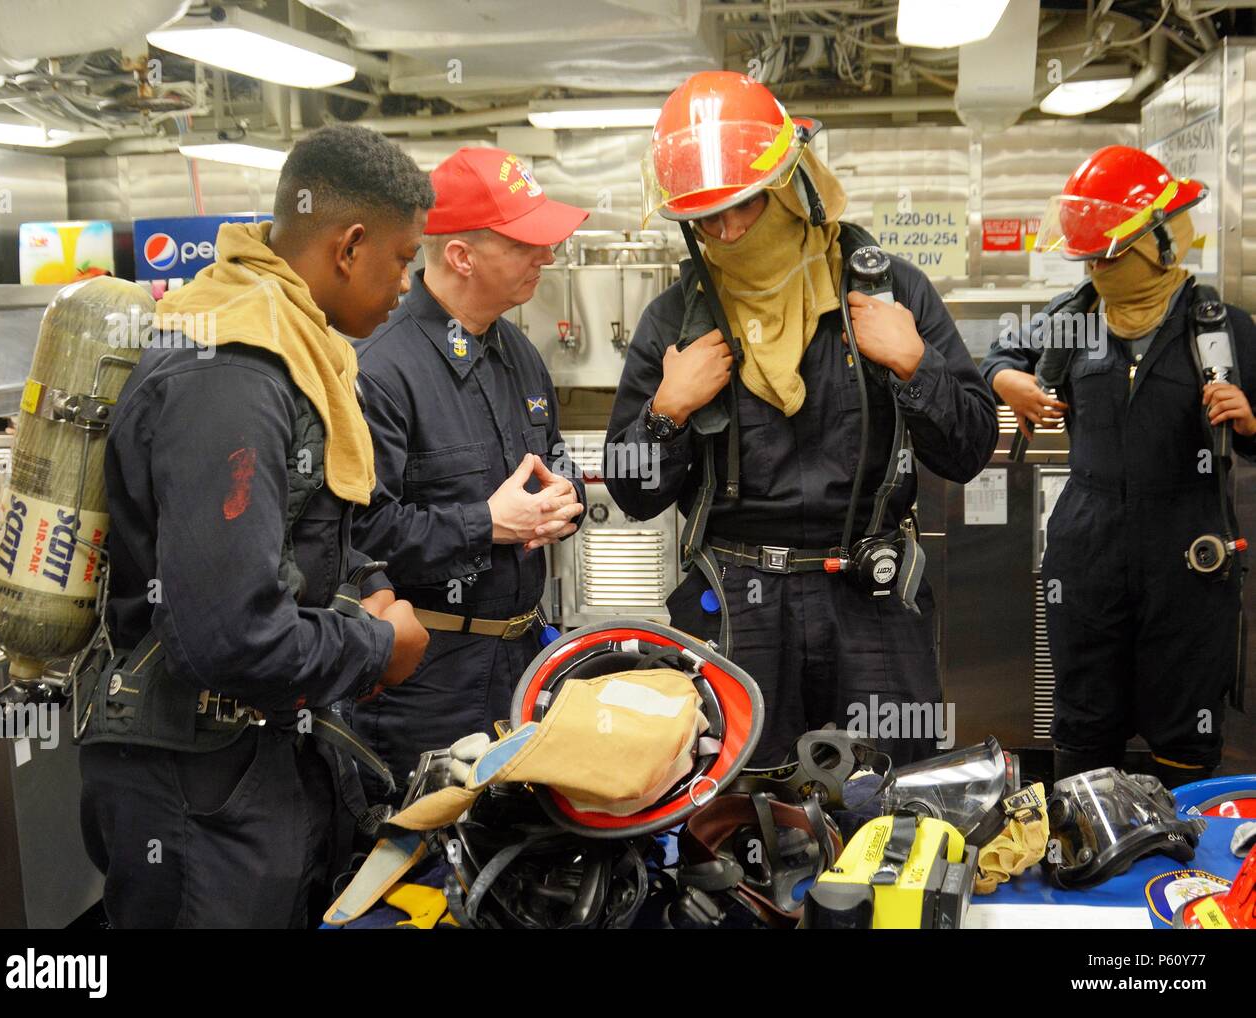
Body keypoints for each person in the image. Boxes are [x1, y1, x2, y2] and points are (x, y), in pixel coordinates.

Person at [77, 124, 432, 928]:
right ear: (348, 246)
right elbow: (228, 634)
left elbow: (315, 529)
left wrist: (370, 590)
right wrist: (381, 646)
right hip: (193, 789)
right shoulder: (235, 370)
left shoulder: (298, 350)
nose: (409, 284)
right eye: (403, 259)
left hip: (256, 759)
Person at [606, 71, 997, 768]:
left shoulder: (892, 289)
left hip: (871, 599)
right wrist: (667, 414)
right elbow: (634, 494)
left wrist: (917, 367)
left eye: (744, 207)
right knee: (736, 818)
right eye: (704, 218)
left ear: (789, 187)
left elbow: (969, 448)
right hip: (737, 607)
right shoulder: (676, 320)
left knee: (891, 808)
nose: (725, 233)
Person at [980, 145, 1256, 787]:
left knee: (1185, 727)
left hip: (1189, 552)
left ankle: (1184, 873)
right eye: (1092, 257)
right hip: (1087, 547)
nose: (1101, 268)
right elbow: (994, 353)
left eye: (1113, 254)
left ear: (1160, 244)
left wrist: (1249, 419)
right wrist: (1005, 380)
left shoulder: (1220, 326)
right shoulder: (1074, 319)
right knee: (1083, 722)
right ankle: (1088, 853)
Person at [351, 147, 587, 790]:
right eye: (526, 244)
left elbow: (554, 455)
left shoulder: (516, 350)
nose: (547, 256)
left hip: (523, 659)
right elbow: (356, 537)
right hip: (428, 677)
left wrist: (567, 500)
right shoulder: (380, 369)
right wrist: (484, 524)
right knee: (422, 860)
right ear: (461, 256)